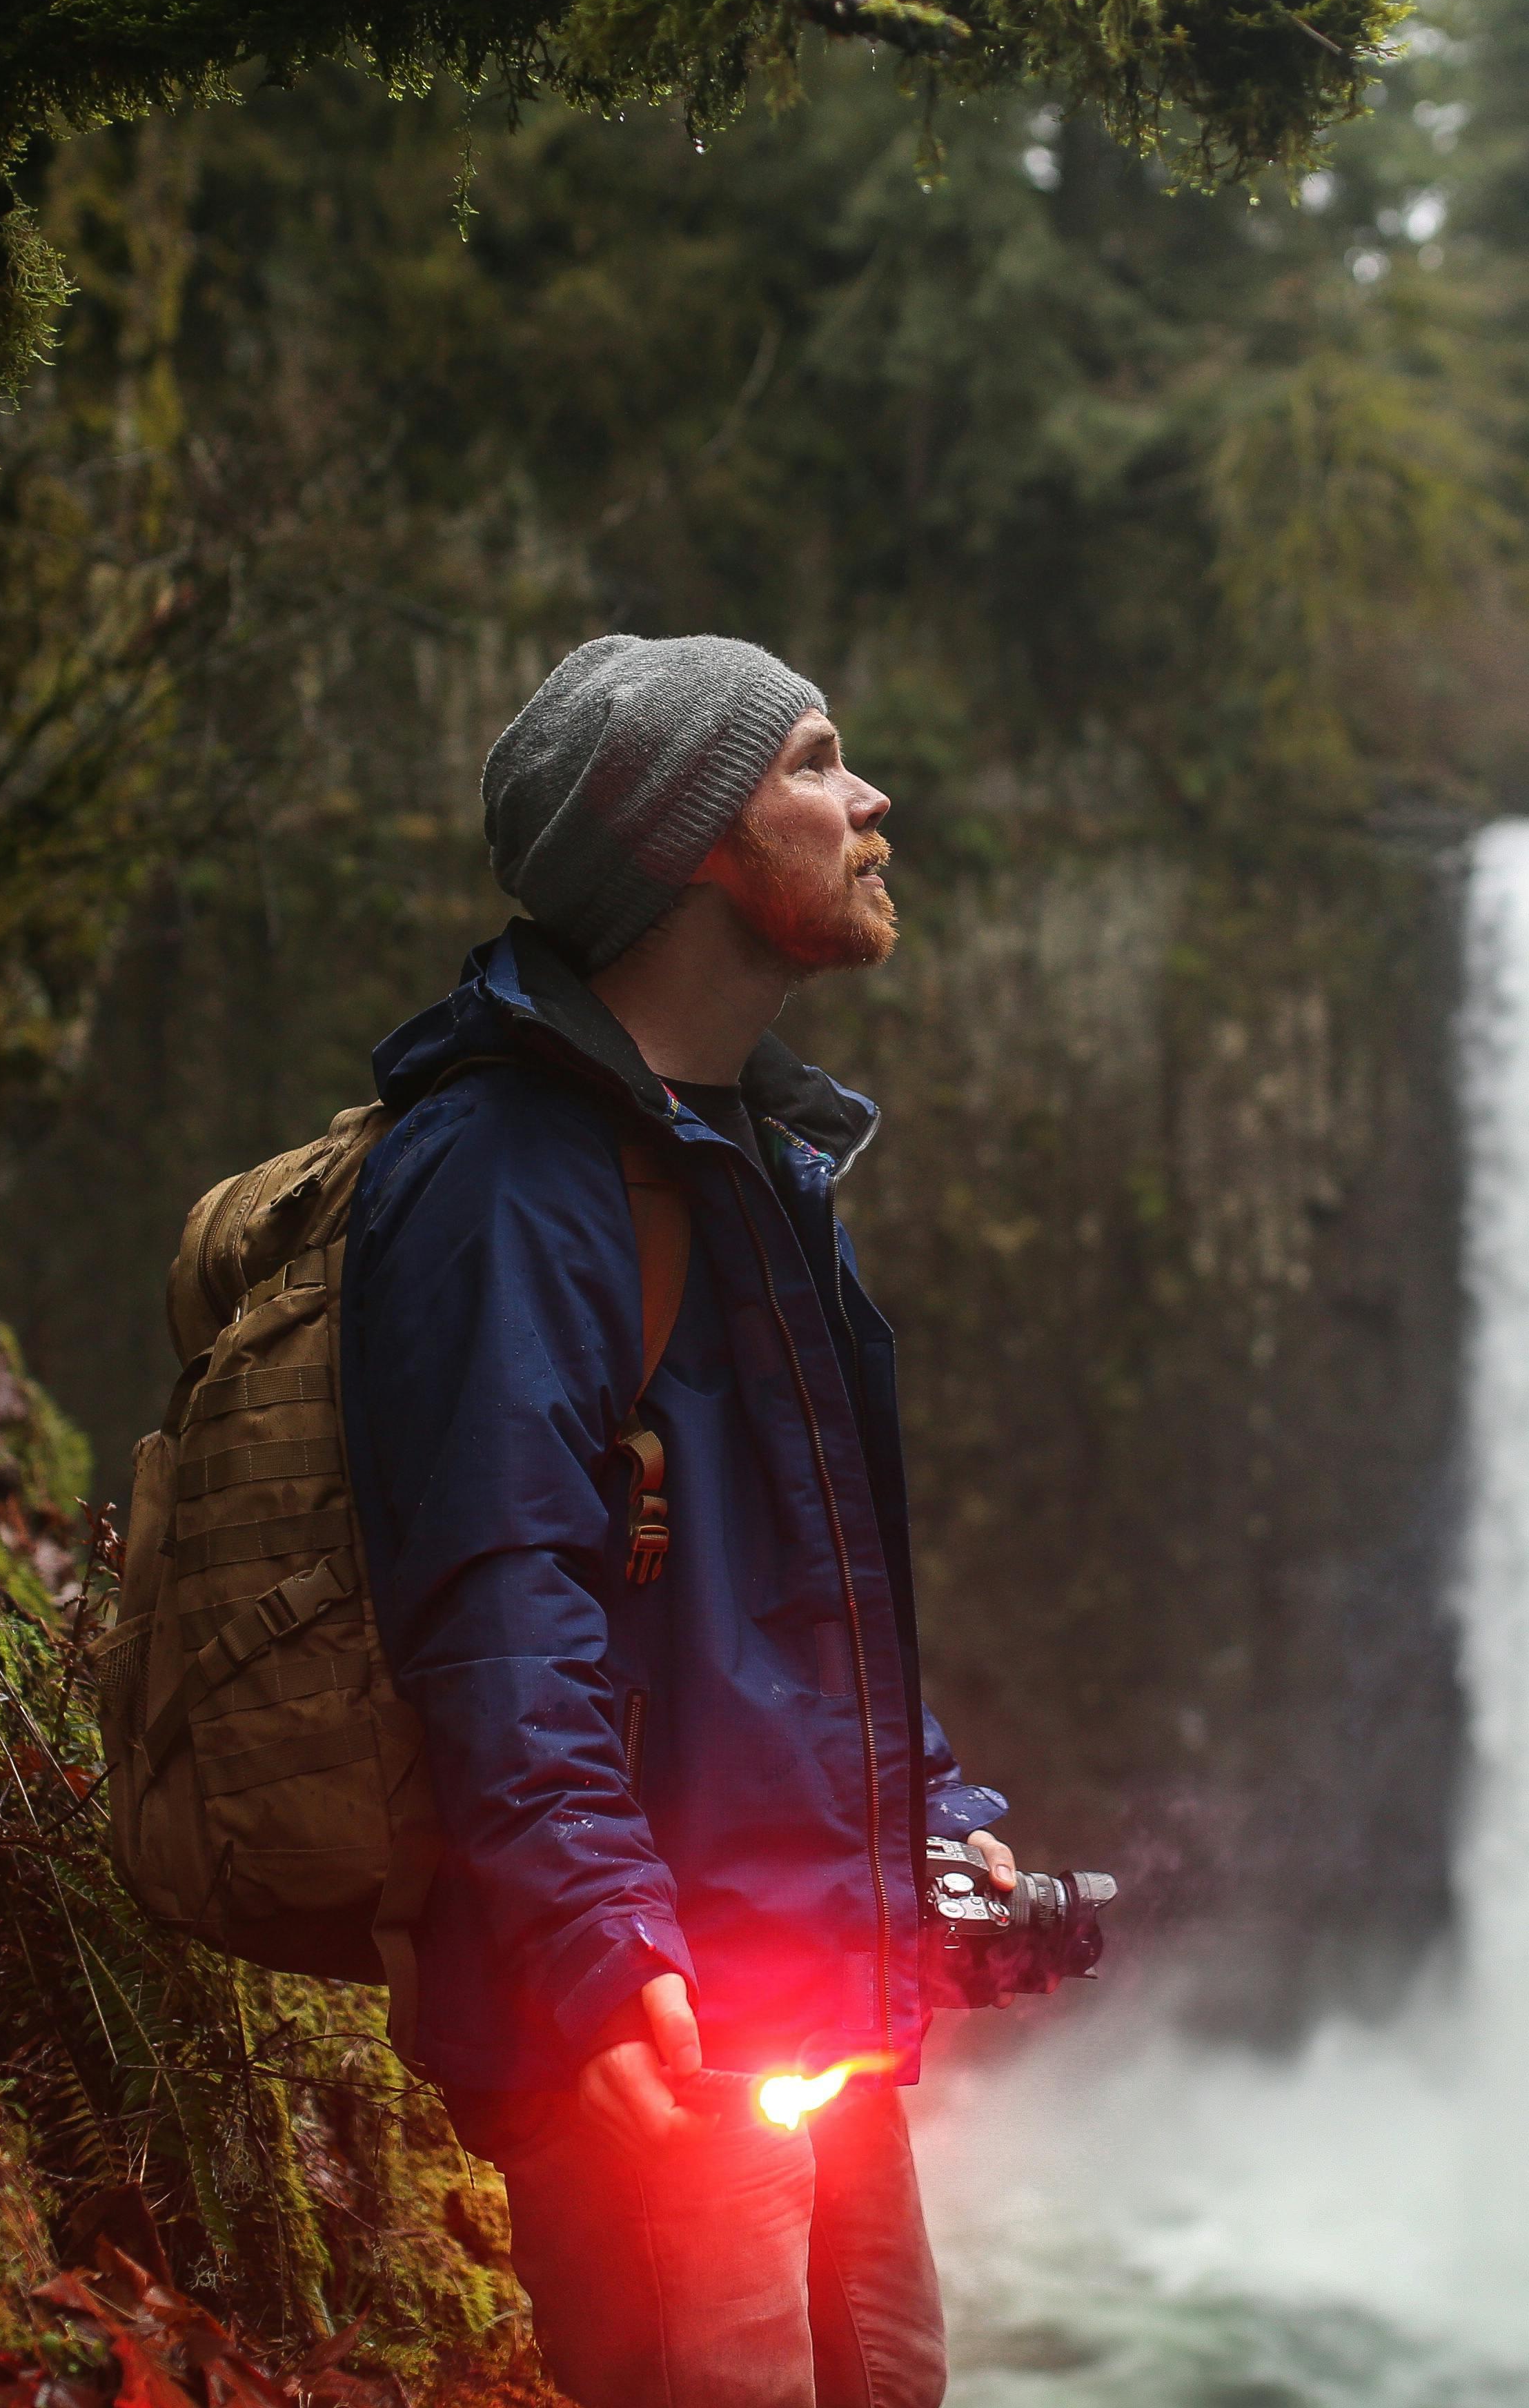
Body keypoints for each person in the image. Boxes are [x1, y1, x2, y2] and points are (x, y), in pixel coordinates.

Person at [341, 631, 1018, 2408]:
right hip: (656, 2012)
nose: (870, 802)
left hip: (794, 2000)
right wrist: (592, 1935)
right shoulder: (503, 1178)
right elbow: (494, 1608)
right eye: (813, 764)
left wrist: (933, 1802)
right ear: (692, 836)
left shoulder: (750, 1161)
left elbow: (797, 1575)